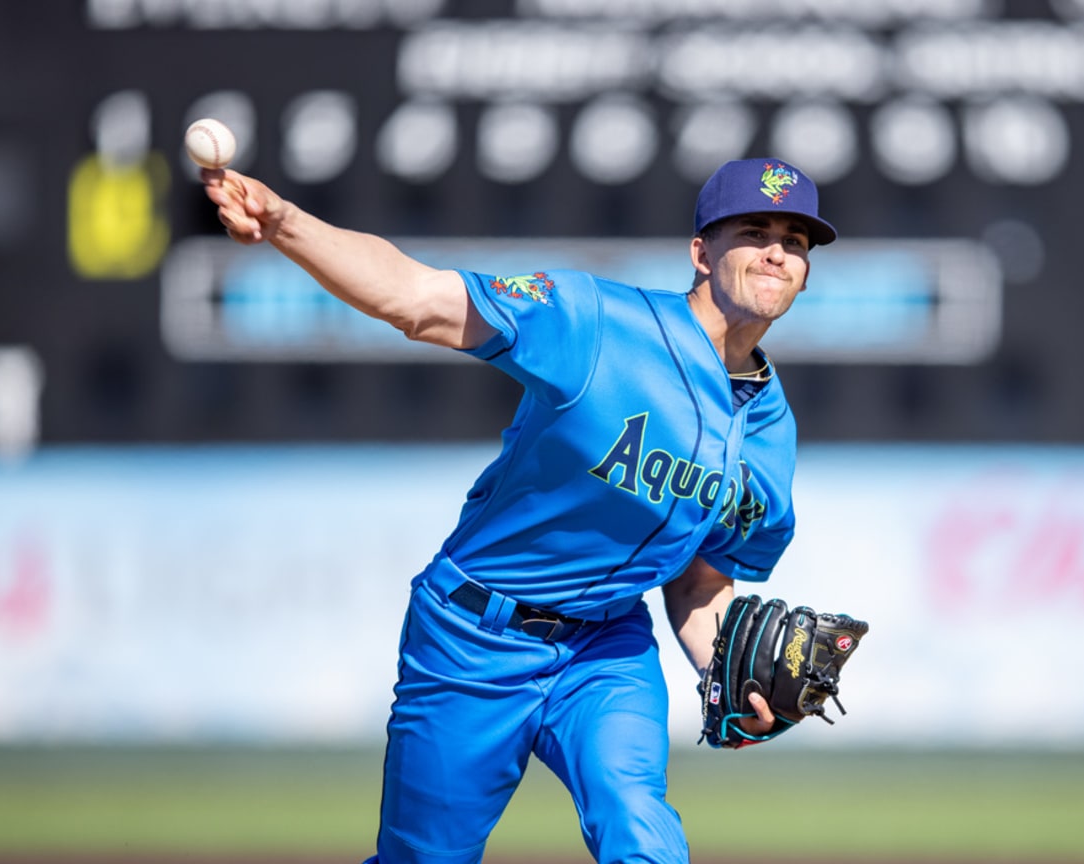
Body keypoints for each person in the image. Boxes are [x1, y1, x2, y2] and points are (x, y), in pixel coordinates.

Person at [202, 156, 835, 864]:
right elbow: (415, 298)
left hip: (605, 648)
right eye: (754, 230)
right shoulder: (594, 321)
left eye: (797, 240)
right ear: (700, 252)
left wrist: (728, 671)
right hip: (472, 633)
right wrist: (287, 222)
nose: (777, 250)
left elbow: (697, 581)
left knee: (639, 827)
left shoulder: (771, 431)